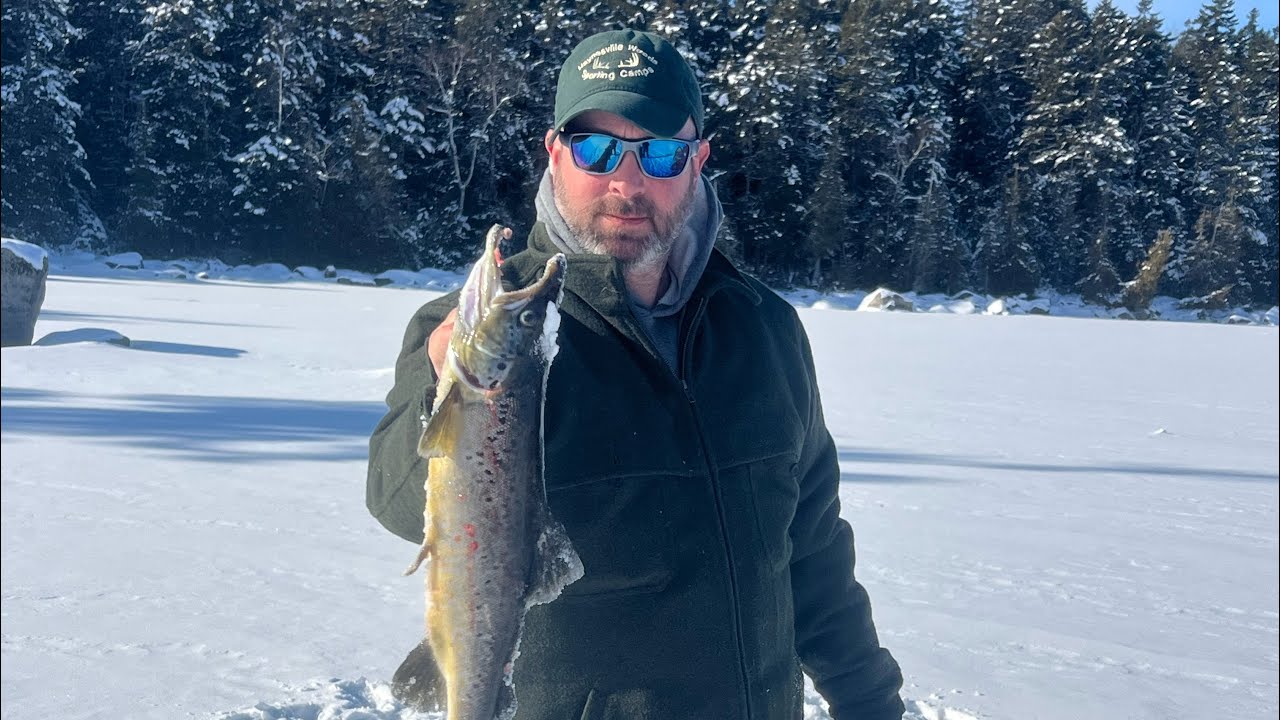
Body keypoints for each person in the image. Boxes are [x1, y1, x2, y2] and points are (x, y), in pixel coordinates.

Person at [366, 28, 904, 720]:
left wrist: (870, 702)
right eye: (596, 149)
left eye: (661, 152)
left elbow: (815, 550)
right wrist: (446, 391)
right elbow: (399, 502)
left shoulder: (765, 330)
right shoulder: (483, 329)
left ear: (699, 159)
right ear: (555, 153)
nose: (627, 181)